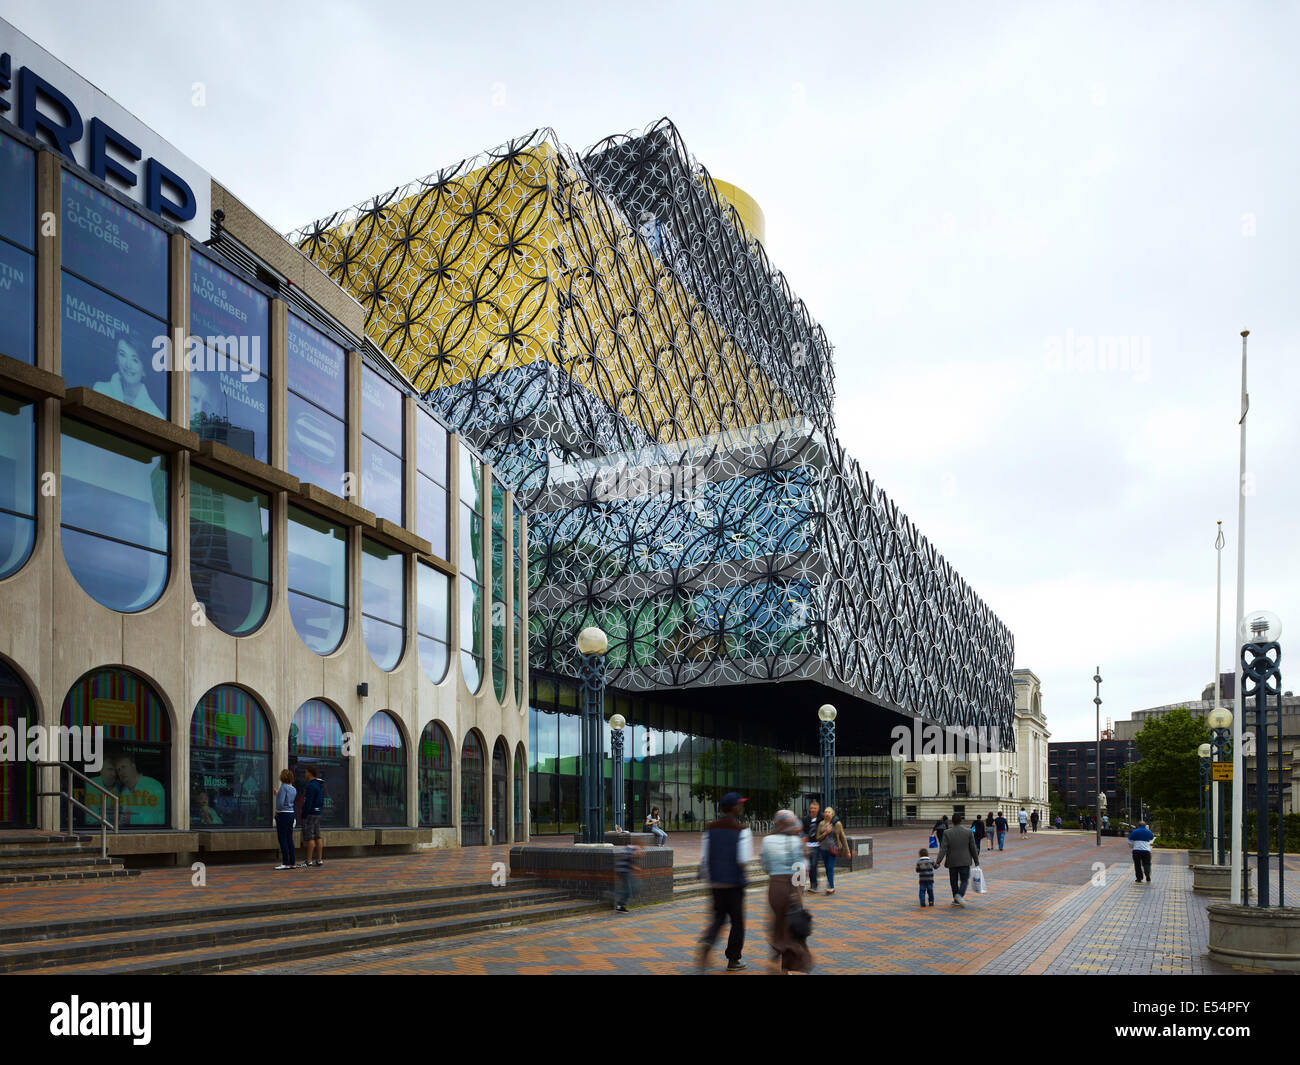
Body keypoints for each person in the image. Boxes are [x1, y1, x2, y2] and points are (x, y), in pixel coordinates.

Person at [697, 792, 753, 971]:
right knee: (738, 922)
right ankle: (733, 959)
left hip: (716, 883)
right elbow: (743, 860)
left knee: (719, 917)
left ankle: (707, 941)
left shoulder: (710, 828)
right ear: (735, 807)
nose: (741, 807)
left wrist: (709, 879)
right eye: (740, 804)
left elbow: (705, 858)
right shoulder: (742, 830)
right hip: (734, 884)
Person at [761, 810, 813, 973]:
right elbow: (799, 867)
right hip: (792, 885)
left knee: (777, 923)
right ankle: (789, 963)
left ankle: (776, 952)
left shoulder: (767, 840)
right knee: (790, 925)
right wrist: (800, 890)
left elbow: (765, 865)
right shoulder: (795, 841)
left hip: (775, 886)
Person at [94, 338, 164, 418]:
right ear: (116, 359)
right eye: (122, 355)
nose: (128, 365)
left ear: (144, 370)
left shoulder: (155, 415)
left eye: (135, 360)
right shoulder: (100, 390)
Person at [935, 812, 979, 906]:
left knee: (953, 881)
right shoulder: (968, 832)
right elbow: (973, 847)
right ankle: (959, 895)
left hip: (952, 861)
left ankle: (956, 899)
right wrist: (976, 861)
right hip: (965, 861)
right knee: (964, 880)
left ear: (952, 821)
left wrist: (938, 861)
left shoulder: (947, 832)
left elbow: (943, 848)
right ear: (961, 821)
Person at [816, 806, 851, 895]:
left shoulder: (837, 824)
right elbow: (817, 838)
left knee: (830, 867)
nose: (827, 813)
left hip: (833, 849)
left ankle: (831, 887)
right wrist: (825, 833)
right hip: (823, 849)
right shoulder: (821, 824)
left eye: (829, 812)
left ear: (832, 814)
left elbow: (842, 837)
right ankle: (830, 883)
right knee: (827, 868)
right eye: (825, 812)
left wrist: (848, 851)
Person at [299, 766, 326, 867]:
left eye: (306, 772)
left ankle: (308, 861)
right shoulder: (320, 785)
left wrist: (304, 814)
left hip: (310, 814)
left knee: (309, 837)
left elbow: (308, 802)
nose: (305, 774)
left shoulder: (311, 786)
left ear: (310, 773)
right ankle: (319, 860)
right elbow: (322, 800)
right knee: (318, 836)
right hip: (318, 813)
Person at [273, 769, 297, 870]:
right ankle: (292, 862)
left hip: (283, 815)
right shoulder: (293, 789)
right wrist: (278, 794)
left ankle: (285, 862)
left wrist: (277, 811)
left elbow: (281, 803)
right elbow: (288, 801)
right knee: (289, 838)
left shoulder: (283, 787)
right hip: (291, 814)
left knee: (282, 839)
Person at [803, 800, 823, 893]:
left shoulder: (821, 818)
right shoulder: (806, 819)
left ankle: (814, 885)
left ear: (818, 809)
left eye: (815, 808)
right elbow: (803, 831)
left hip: (817, 845)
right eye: (811, 808)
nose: (813, 810)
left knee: (814, 864)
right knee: (808, 865)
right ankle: (811, 884)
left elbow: (833, 819)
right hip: (807, 845)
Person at [614, 842, 641, 911]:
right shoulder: (632, 851)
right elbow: (630, 863)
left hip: (624, 871)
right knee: (628, 891)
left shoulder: (630, 849)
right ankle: (619, 905)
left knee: (630, 889)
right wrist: (636, 868)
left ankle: (619, 901)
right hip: (623, 872)